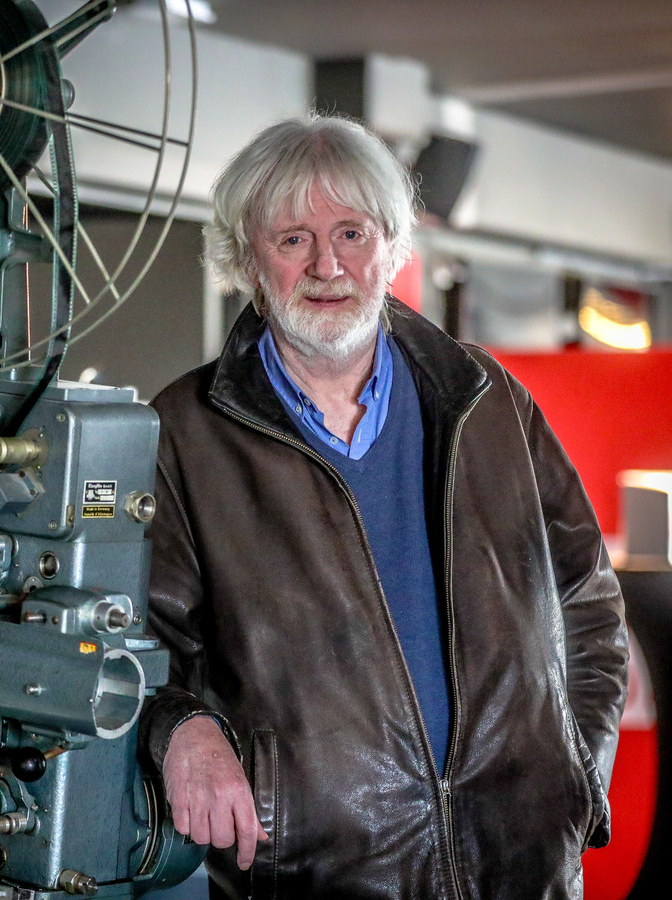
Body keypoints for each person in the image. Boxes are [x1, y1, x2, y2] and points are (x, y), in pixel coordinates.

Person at [138, 115, 629, 899]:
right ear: (247, 260)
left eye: (353, 233)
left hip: (523, 861)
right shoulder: (185, 434)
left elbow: (587, 599)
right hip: (314, 874)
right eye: (292, 238)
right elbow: (132, 641)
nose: (327, 264)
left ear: (392, 246)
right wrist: (179, 729)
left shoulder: (485, 399)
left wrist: (577, 769)